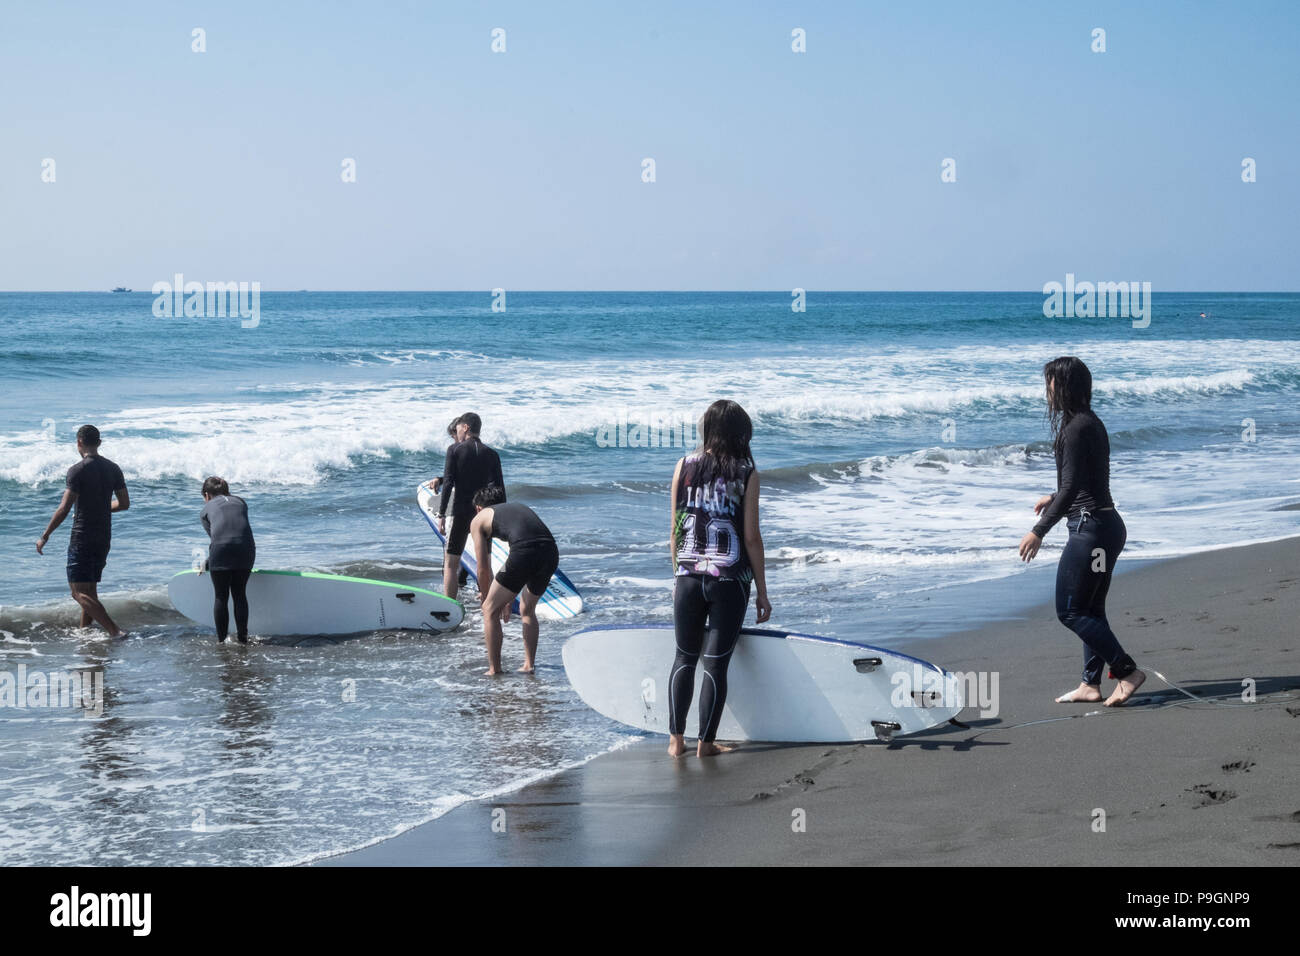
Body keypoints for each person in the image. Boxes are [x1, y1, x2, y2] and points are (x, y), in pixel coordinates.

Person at [1018, 357, 1146, 707]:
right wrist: (1054, 496)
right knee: (1091, 609)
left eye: (1050, 384)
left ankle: (1127, 671)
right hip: (1104, 528)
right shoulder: (1089, 422)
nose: (1047, 391)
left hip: (1091, 533)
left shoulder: (1076, 428)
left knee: (1071, 611)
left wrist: (1039, 531)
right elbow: (1082, 481)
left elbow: (1073, 487)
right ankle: (1090, 684)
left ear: (1064, 386)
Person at [667, 400, 771, 758]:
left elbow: (674, 531)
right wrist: (762, 592)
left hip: (687, 576)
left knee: (684, 658)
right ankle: (705, 744)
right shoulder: (747, 474)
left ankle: (675, 742)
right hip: (729, 579)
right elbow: (752, 538)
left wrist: (678, 575)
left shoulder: (684, 465)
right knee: (715, 664)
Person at [35, 425, 130, 637]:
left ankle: (115, 631)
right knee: (90, 591)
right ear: (99, 443)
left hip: (83, 537)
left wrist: (45, 536)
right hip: (103, 537)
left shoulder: (77, 470)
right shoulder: (113, 468)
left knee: (77, 592)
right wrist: (100, 508)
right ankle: (85, 633)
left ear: (79, 442)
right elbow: (124, 504)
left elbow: (64, 508)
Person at [466, 484, 558, 676]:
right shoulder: (515, 508)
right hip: (550, 551)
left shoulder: (478, 520)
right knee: (527, 609)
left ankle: (495, 670)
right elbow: (520, 557)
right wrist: (506, 598)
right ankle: (529, 665)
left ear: (478, 508)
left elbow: (482, 568)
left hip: (525, 551)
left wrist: (487, 598)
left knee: (489, 610)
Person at [435, 413, 504, 599]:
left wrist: (441, 514)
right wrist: (499, 519)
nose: (456, 432)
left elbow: (448, 483)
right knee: (485, 563)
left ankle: (450, 605)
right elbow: (499, 489)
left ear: (465, 427)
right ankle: (490, 605)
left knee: (451, 563)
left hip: (460, 513)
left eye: (458, 427)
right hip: (483, 514)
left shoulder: (454, 450)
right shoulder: (492, 454)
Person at [200, 476, 257, 644]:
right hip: (246, 549)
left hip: (221, 551)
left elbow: (218, 540)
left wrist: (207, 563)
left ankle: (221, 641)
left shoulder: (205, 510)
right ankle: (243, 639)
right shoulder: (241, 502)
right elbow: (235, 529)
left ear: (206, 495)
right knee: (239, 594)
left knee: (221, 596)